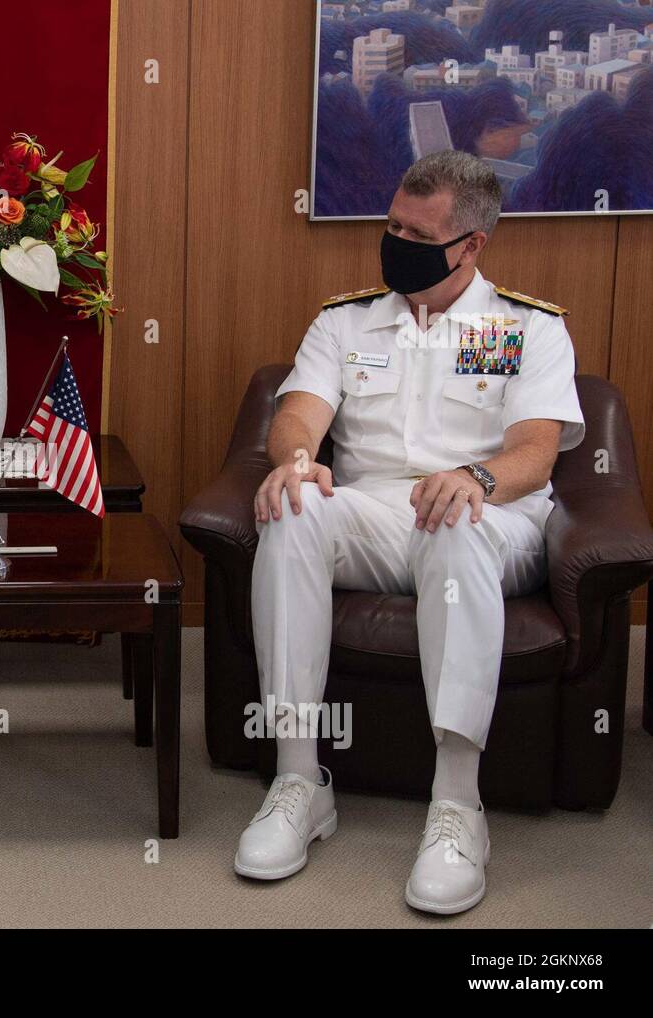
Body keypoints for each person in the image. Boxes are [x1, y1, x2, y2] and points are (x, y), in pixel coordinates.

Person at [237, 151, 584, 915]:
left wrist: (480, 478)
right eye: (391, 223)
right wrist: (297, 460)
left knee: (456, 522)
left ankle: (458, 805)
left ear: (470, 247)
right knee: (292, 504)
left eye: (415, 232)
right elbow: (298, 414)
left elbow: (535, 447)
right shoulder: (348, 320)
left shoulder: (522, 327)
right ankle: (300, 781)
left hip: (487, 518)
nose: (394, 239)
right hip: (378, 511)